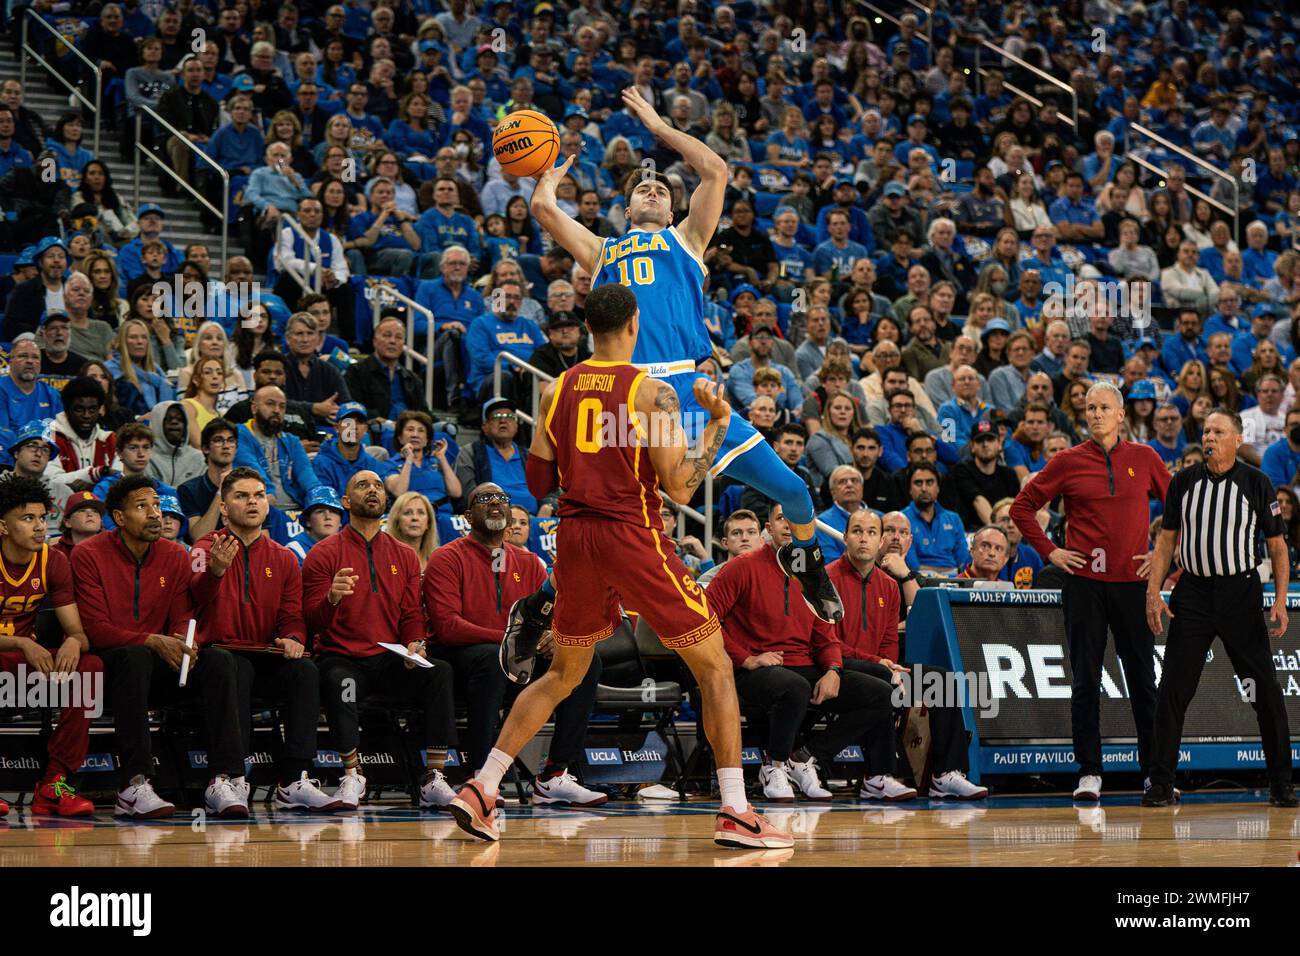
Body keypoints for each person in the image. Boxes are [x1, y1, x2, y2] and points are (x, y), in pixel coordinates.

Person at [449, 283, 792, 849]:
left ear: (588, 327)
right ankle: (735, 810)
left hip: (575, 537)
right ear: (634, 325)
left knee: (562, 673)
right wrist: (717, 424)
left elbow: (536, 484)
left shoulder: (555, 390)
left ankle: (482, 789)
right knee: (714, 667)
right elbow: (681, 486)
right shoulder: (650, 393)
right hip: (632, 535)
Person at [523, 86, 843, 668]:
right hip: (627, 400)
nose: (652, 188)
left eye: (661, 189)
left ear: (673, 211)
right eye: (642, 187)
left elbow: (715, 168)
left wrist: (653, 120)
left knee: (795, 491)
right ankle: (545, 603)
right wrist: (545, 170)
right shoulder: (602, 251)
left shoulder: (687, 241)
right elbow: (544, 211)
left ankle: (806, 564)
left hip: (689, 396)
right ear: (626, 211)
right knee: (605, 524)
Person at [1011, 382, 1171, 802]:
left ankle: (1155, 774)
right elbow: (1021, 508)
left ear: (1121, 415)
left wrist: (1160, 557)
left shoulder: (1146, 457)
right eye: (1089, 408)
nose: (1096, 413)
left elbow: (1180, 510)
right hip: (1084, 585)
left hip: (1133, 586)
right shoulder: (1067, 461)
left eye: (1104, 407)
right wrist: (1051, 551)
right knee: (1084, 678)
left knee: (1143, 681)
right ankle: (1089, 772)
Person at [1144, 408, 1297, 809]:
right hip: (1192, 593)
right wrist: (1153, 592)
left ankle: (1282, 784)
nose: (1208, 437)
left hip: (1240, 593)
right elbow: (1165, 542)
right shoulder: (1183, 482)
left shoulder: (1256, 482)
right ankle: (1160, 783)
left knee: (1264, 690)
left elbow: (1277, 547)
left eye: (1218, 431)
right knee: (1173, 689)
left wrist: (1279, 599)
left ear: (1236, 438)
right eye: (1206, 430)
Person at [74, 474, 247, 818]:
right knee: (135, 657)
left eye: (156, 505)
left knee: (220, 662)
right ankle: (133, 784)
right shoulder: (87, 554)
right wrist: (153, 640)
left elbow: (183, 614)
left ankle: (223, 778)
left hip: (160, 665)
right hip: (111, 669)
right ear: (120, 517)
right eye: (143, 507)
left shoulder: (173, 554)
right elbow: (95, 630)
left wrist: (184, 643)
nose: (155, 513)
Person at [709, 502, 908, 802]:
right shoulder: (741, 567)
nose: (789, 525)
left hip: (805, 665)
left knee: (883, 691)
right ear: (769, 528)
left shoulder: (813, 574)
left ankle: (806, 757)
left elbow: (826, 634)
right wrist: (745, 657)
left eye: (797, 519)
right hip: (755, 669)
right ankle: (773, 766)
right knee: (795, 687)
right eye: (781, 519)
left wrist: (832, 670)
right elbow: (705, 618)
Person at [426, 483, 606, 805]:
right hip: (465, 661)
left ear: (510, 514)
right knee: (491, 660)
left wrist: (553, 637)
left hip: (519, 658)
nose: (495, 503)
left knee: (585, 662)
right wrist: (512, 639)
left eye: (502, 499)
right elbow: (448, 627)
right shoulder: (445, 558)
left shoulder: (530, 562)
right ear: (468, 516)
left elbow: (552, 616)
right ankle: (481, 778)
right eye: (485, 499)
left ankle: (553, 775)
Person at [304, 470, 459, 811]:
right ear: (346, 502)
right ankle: (352, 772)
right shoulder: (324, 553)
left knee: (439, 672)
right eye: (362, 485)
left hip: (389, 658)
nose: (372, 490)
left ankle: (434, 777)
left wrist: (415, 643)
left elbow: (410, 614)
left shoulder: (403, 554)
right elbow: (311, 622)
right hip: (342, 656)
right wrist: (330, 598)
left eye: (377, 485)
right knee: (340, 681)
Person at [189, 467, 341, 810]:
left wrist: (292, 637)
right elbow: (191, 602)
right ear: (224, 508)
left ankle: (293, 779)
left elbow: (292, 616)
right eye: (241, 496)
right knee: (231, 665)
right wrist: (214, 572)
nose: (252, 502)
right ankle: (225, 778)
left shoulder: (284, 558)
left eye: (258, 495)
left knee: (305, 671)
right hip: (215, 656)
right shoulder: (204, 548)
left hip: (263, 655)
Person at [829, 509, 989, 798]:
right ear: (845, 537)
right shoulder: (827, 579)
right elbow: (827, 642)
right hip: (839, 667)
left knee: (944, 681)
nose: (863, 538)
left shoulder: (890, 586)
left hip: (880, 667)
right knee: (882, 682)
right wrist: (881, 664)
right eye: (857, 531)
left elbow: (890, 639)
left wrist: (892, 666)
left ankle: (945, 774)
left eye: (871, 532)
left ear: (880, 542)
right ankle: (877, 776)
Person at [0, 474, 101, 816]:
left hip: (25, 669)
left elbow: (78, 631)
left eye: (43, 517)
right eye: (28, 518)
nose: (40, 526)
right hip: (12, 656)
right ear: (3, 526)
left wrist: (74, 641)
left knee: (90, 668)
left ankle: (55, 785)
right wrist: (20, 643)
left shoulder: (53, 560)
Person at [232, 386, 321, 509]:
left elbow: (307, 476)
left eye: (282, 406)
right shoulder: (238, 435)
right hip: (261, 508)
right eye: (270, 404)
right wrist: (268, 494)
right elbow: (253, 472)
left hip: (295, 510)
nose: (277, 410)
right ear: (254, 408)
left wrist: (320, 495)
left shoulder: (292, 442)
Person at [46, 376, 118, 494]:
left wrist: (90, 486)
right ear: (67, 409)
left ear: (99, 409)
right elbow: (52, 481)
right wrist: (97, 473)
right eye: (79, 410)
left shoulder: (109, 439)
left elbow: (120, 479)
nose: (86, 416)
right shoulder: (50, 438)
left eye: (92, 410)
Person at [902, 463, 969, 575]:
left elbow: (963, 561)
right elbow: (913, 567)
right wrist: (948, 572)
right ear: (909, 489)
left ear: (938, 488)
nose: (924, 488)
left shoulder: (953, 519)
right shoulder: (902, 520)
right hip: (919, 582)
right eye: (918, 483)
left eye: (929, 482)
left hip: (956, 582)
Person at [178, 418, 238, 543]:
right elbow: (199, 537)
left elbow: (262, 536)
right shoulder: (188, 490)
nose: (226, 446)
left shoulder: (249, 487)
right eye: (218, 440)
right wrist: (221, 491)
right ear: (205, 448)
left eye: (231, 440)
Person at [313, 401, 388, 497]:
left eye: (360, 422)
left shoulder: (372, 464)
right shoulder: (321, 463)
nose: (354, 427)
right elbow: (325, 502)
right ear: (337, 427)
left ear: (365, 429)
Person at [286, 486, 344, 564]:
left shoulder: (349, 547)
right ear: (308, 521)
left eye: (333, 512)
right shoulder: (295, 549)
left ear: (340, 522)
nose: (328, 517)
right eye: (320, 512)